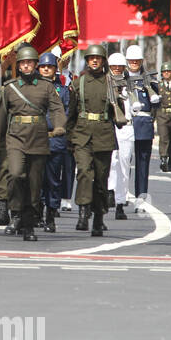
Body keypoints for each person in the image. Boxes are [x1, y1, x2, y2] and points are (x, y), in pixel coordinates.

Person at [0, 46, 66, 241]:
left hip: (39, 138)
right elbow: (1, 117)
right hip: (15, 138)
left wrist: (59, 126)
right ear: (19, 65)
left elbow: (57, 109)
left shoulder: (46, 87)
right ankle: (15, 214)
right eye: (23, 63)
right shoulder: (10, 87)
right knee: (15, 175)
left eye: (29, 62)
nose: (26, 65)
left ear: (35, 64)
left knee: (34, 183)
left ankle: (28, 223)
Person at [67, 43, 123, 237]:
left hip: (104, 135)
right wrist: (69, 139)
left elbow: (120, 114)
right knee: (83, 172)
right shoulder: (78, 84)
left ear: (103, 61)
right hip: (82, 135)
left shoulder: (111, 84)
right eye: (91, 58)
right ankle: (83, 213)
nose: (94, 61)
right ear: (87, 60)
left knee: (101, 178)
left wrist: (118, 99)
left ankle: (98, 217)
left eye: (97, 58)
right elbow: (71, 114)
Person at [38, 52, 73, 233]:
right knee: (36, 179)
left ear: (55, 69)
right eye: (43, 66)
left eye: (49, 66)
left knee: (52, 180)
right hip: (36, 139)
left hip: (55, 139)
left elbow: (66, 114)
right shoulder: (33, 88)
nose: (45, 69)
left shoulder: (63, 91)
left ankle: (50, 214)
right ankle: (36, 212)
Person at [124, 44, 160, 207]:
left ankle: (141, 196)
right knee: (123, 161)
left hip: (144, 125)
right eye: (131, 60)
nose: (134, 63)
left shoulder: (150, 81)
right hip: (125, 125)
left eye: (136, 60)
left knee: (142, 163)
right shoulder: (120, 80)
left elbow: (156, 105)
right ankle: (121, 193)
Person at [107, 52, 136, 220]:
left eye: (120, 67)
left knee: (124, 165)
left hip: (126, 128)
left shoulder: (130, 85)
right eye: (113, 67)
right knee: (110, 161)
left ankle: (120, 202)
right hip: (109, 127)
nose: (117, 69)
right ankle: (109, 191)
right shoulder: (105, 84)